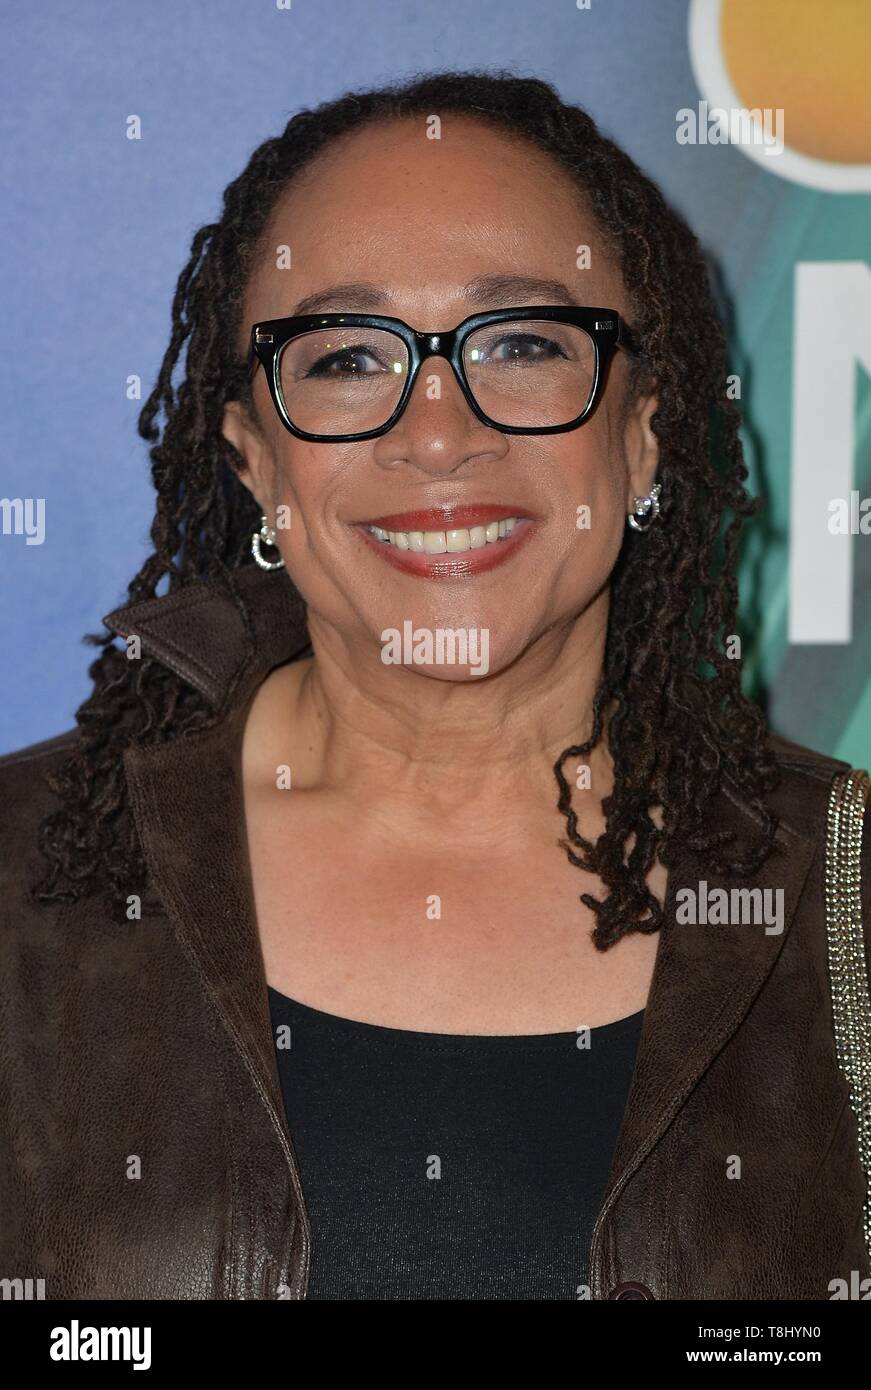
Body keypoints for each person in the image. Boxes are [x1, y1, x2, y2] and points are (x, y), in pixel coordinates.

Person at [1, 69, 868, 1302]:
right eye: (348, 357)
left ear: (643, 433)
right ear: (255, 461)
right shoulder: (20, 876)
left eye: (519, 342)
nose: (438, 428)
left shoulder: (851, 898)